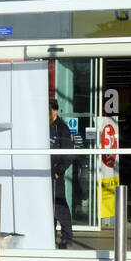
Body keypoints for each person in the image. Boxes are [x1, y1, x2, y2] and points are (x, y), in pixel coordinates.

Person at [49, 99, 80, 247]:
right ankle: (50, 235)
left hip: (55, 174)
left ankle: (67, 238)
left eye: (49, 110)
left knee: (60, 206)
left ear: (55, 111)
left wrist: (59, 170)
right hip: (43, 174)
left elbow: (69, 153)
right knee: (48, 206)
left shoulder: (61, 128)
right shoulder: (44, 127)